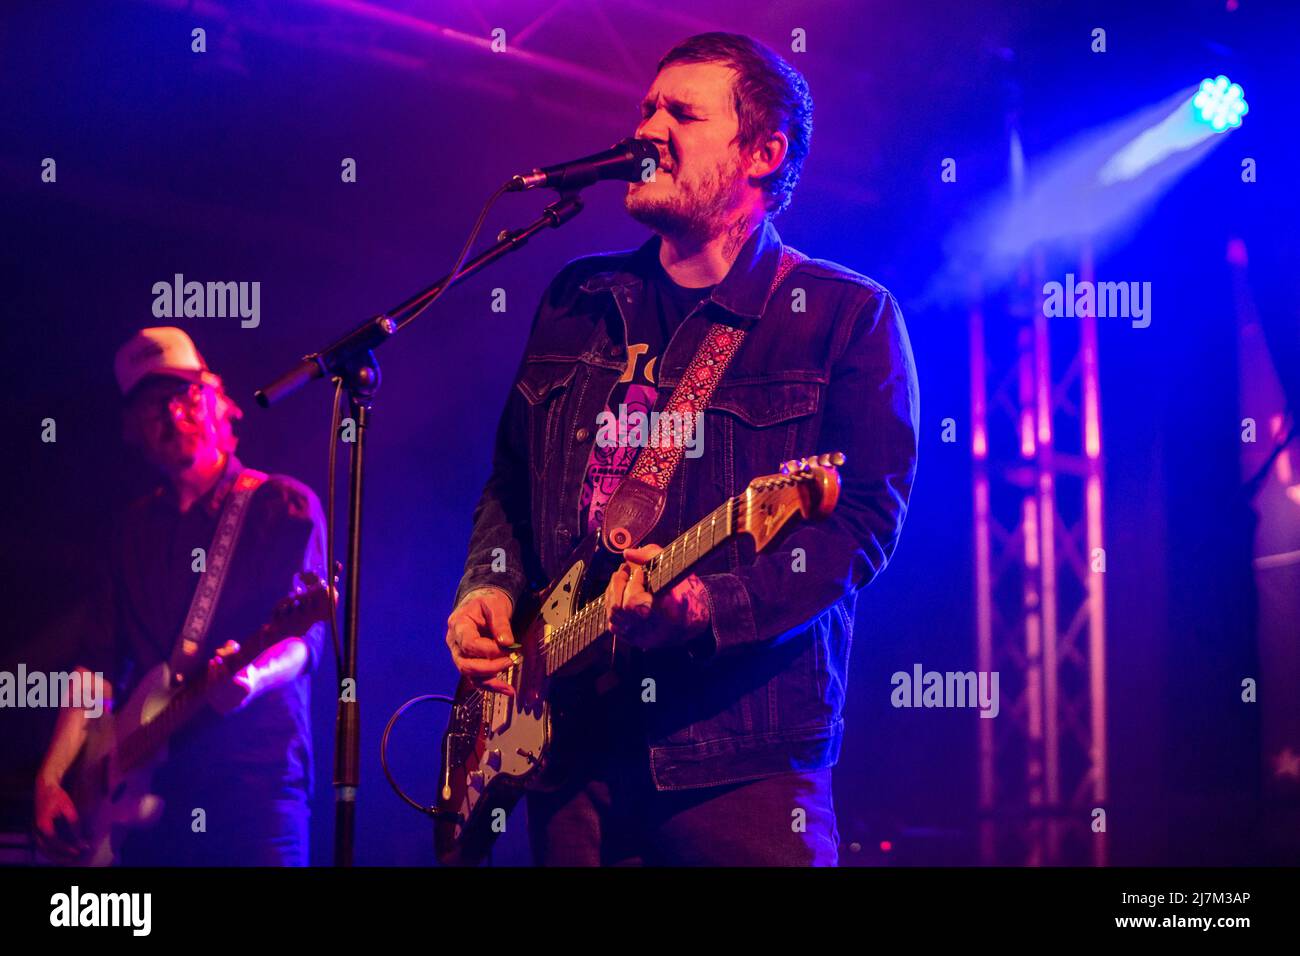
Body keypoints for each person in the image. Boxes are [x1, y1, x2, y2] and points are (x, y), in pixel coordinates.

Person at [445, 32, 919, 865]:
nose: (648, 128)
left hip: (737, 768)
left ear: (763, 154)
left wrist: (702, 609)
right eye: (647, 107)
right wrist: (488, 586)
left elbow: (861, 527)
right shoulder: (578, 298)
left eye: (682, 113)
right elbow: (510, 484)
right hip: (565, 754)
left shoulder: (845, 315)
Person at [33, 327, 327, 866]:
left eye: (184, 395)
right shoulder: (127, 531)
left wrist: (252, 676)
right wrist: (52, 778)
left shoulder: (282, 505)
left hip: (253, 786)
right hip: (152, 801)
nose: (171, 414)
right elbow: (95, 668)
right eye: (150, 405)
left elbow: (305, 637)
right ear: (130, 428)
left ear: (218, 399)